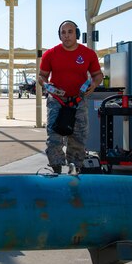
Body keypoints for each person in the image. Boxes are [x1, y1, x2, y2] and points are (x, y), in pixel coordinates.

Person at [38, 20, 103, 173]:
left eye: (70, 32)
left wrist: (93, 85)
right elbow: (41, 76)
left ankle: (75, 169)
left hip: (78, 101)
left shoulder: (88, 54)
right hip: (56, 101)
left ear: (77, 34)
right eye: (63, 32)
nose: (66, 36)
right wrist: (46, 85)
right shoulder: (50, 54)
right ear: (59, 35)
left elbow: (98, 75)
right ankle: (56, 169)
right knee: (54, 137)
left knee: (78, 136)